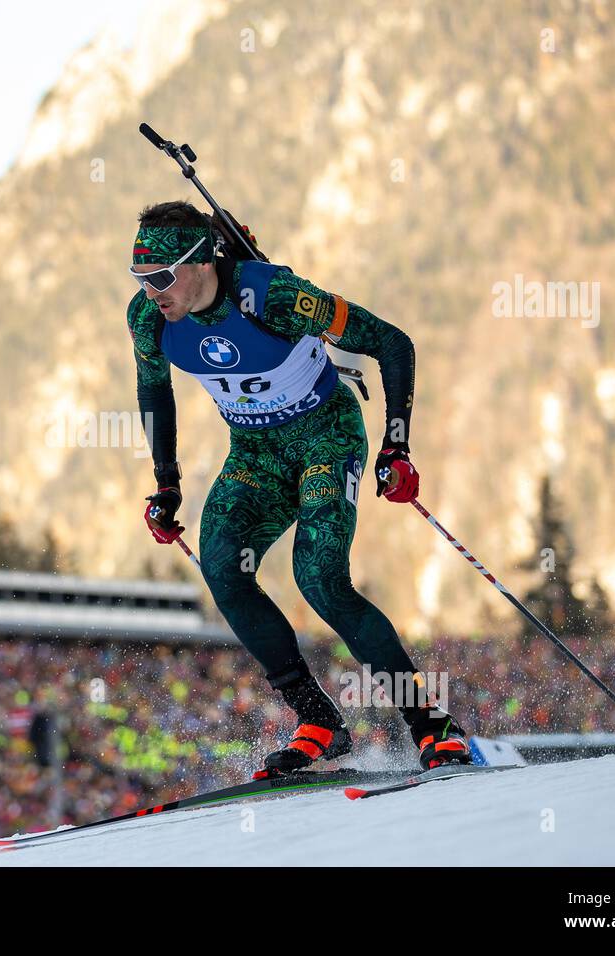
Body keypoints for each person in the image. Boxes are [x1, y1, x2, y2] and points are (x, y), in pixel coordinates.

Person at [127, 200, 470, 774]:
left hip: (324, 439)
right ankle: (318, 719)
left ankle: (430, 725)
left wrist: (396, 446)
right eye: (140, 278)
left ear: (202, 261)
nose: (150, 291)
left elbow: (391, 342)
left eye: (161, 276)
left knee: (320, 580)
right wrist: (166, 486)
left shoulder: (273, 297)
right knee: (223, 571)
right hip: (256, 455)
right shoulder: (150, 319)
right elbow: (154, 396)